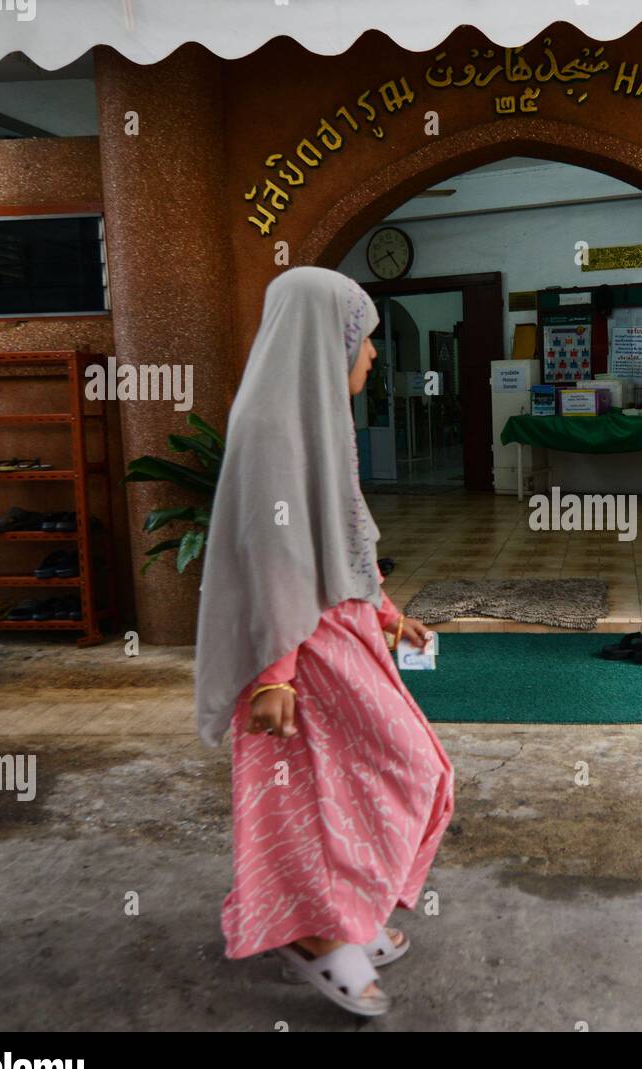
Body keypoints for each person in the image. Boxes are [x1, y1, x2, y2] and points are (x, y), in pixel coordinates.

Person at [195, 266, 453, 1017]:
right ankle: (312, 938)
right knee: (398, 768)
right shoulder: (272, 428)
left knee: (339, 789)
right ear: (325, 341)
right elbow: (270, 556)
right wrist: (275, 674)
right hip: (300, 647)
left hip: (337, 628)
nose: (372, 355)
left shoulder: (310, 420)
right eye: (363, 339)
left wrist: (389, 615)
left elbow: (338, 547)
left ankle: (342, 916)